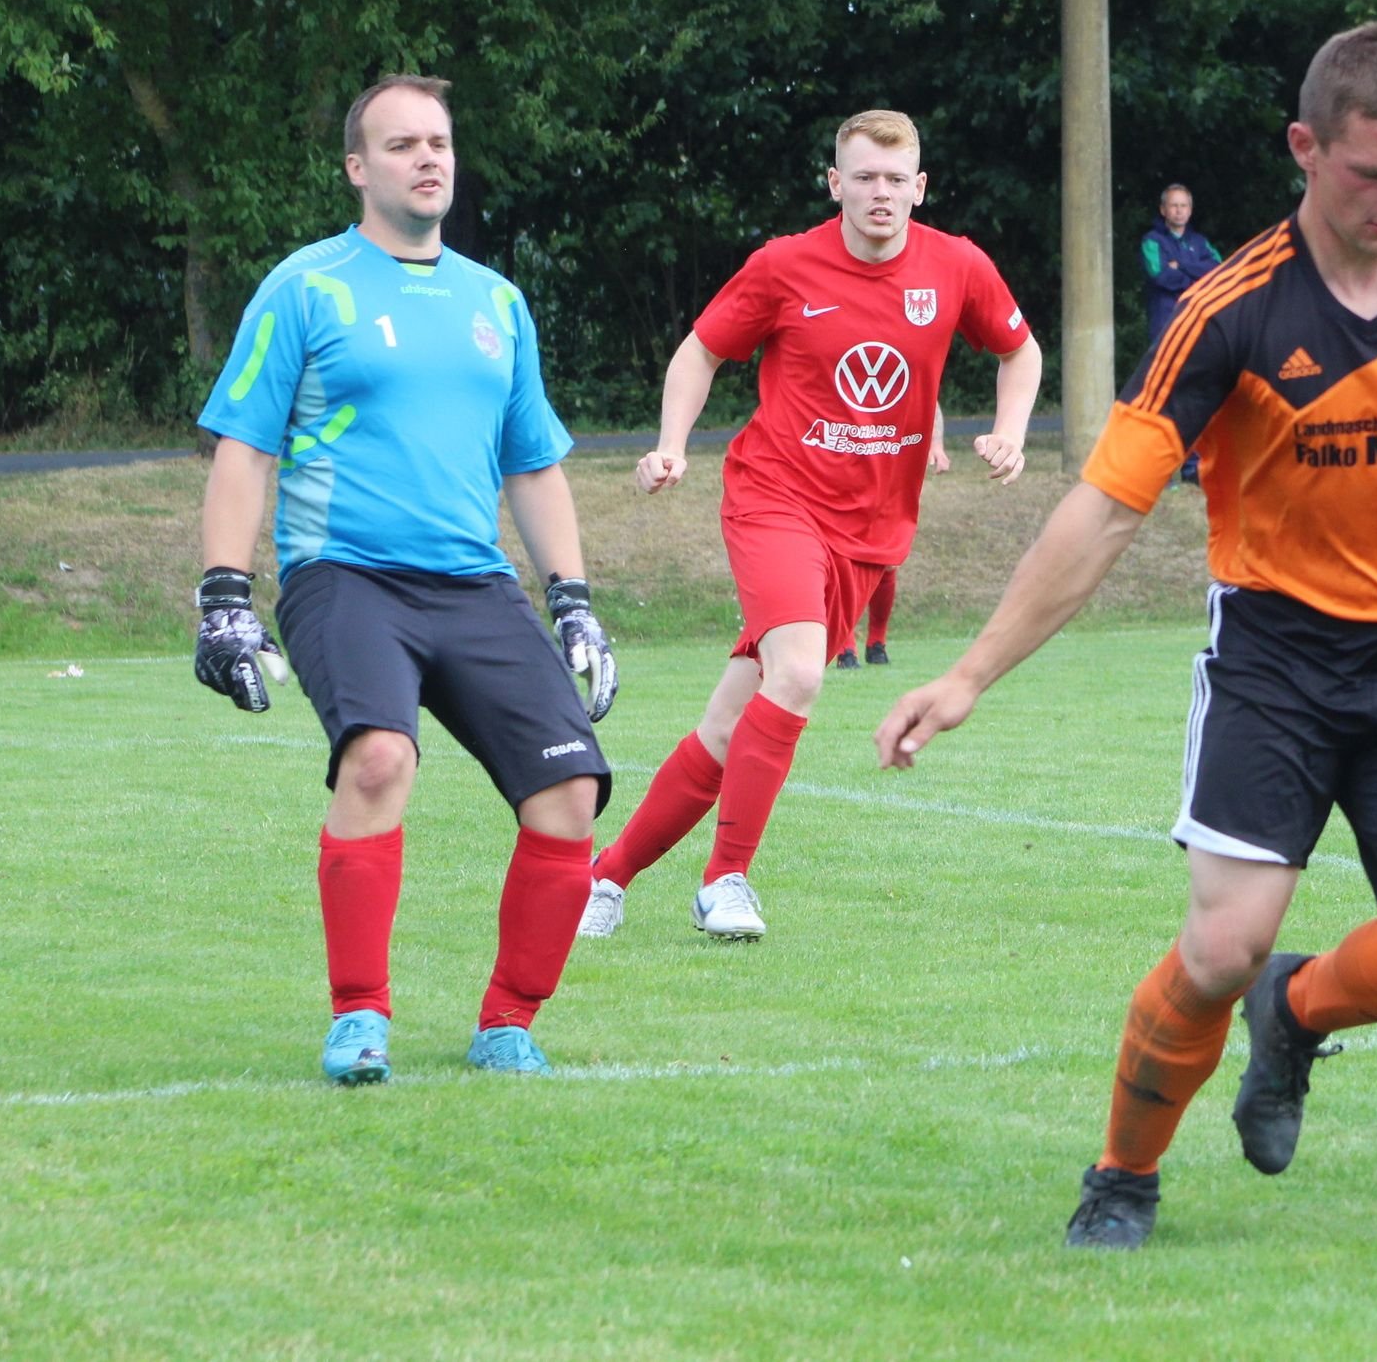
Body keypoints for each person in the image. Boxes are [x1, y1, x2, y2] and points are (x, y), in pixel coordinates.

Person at [876, 22, 1377, 1251]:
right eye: (1368, 173)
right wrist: (969, 673)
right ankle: (1124, 1173)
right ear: (1304, 147)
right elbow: (1106, 506)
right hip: (1277, 661)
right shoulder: (1226, 310)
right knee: (1220, 942)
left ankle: (1301, 1009)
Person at [194, 73, 618, 1085]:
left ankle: (508, 1022)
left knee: (568, 790)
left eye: (439, 141)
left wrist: (573, 602)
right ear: (357, 167)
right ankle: (359, 1016)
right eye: (401, 144)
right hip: (345, 578)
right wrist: (223, 595)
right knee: (379, 757)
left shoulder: (495, 302)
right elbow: (245, 451)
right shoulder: (307, 286)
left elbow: (533, 464)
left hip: (475, 585)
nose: (428, 157)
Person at [577, 111, 1040, 943]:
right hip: (774, 497)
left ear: (919, 188)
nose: (880, 193)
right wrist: (671, 447)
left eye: (896, 179)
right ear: (835, 183)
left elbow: (1020, 349)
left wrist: (1010, 429)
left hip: (871, 531)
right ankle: (726, 880)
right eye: (863, 176)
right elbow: (699, 351)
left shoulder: (957, 265)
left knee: (730, 723)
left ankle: (604, 876)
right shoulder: (785, 265)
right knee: (796, 672)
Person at [835, 407, 950, 670]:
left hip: (894, 470)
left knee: (888, 559)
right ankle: (845, 647)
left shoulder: (905, 369)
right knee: (844, 557)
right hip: (845, 467)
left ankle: (877, 642)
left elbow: (930, 402)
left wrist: (935, 444)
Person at [1142, 186, 1221, 487]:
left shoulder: (1199, 242)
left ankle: (1192, 468)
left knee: (1196, 398)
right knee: (1165, 400)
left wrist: (1183, 266)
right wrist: (1193, 273)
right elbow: (1160, 275)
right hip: (1165, 328)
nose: (1179, 211)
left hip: (1197, 328)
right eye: (1173, 206)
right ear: (1163, 210)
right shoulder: (1152, 241)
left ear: (1190, 209)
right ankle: (1164, 470)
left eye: (1184, 205)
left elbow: (1216, 271)